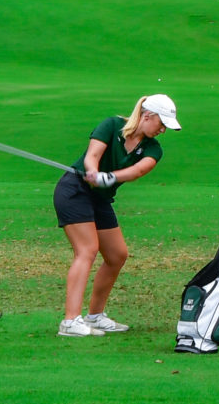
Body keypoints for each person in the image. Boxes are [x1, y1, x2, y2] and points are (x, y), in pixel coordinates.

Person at [54, 94, 180, 337]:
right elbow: (92, 156)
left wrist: (110, 177)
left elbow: (138, 170)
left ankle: (95, 316)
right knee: (87, 250)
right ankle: (70, 321)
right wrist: (93, 172)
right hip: (75, 190)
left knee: (117, 255)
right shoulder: (111, 125)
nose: (163, 129)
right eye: (161, 123)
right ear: (147, 116)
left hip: (99, 197)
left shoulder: (153, 148)